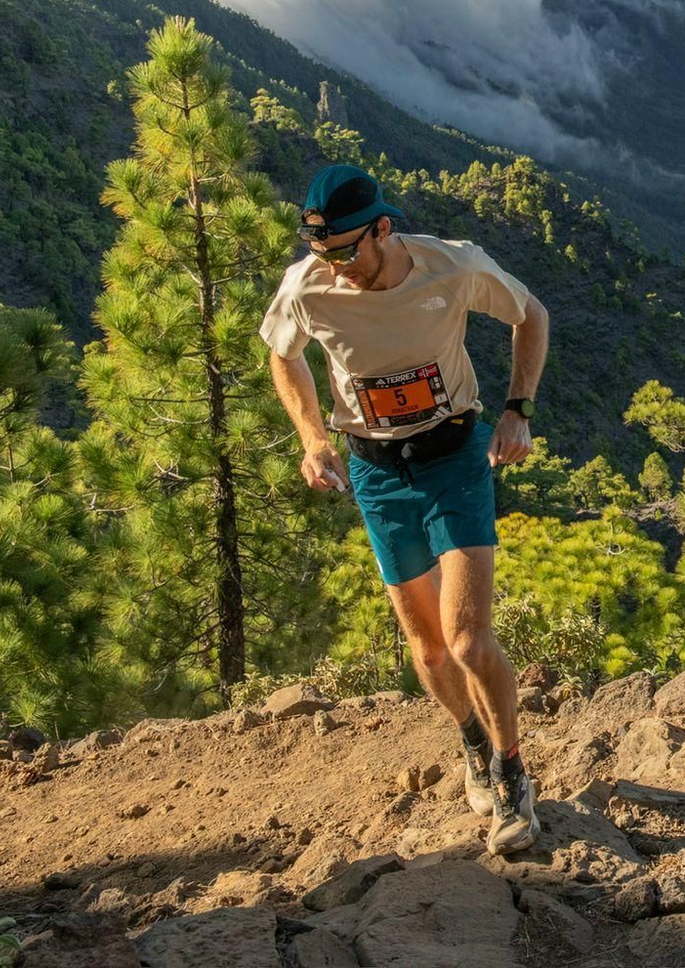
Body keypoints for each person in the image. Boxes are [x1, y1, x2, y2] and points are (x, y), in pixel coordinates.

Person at [259, 163, 548, 853]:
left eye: (345, 252)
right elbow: (282, 354)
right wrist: (311, 437)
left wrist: (517, 410)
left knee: (469, 639)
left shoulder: (449, 266)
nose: (333, 268)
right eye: (320, 253)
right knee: (426, 649)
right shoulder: (308, 285)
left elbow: (530, 312)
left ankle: (514, 776)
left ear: (383, 229)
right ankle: (472, 742)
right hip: (377, 469)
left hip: (455, 457)